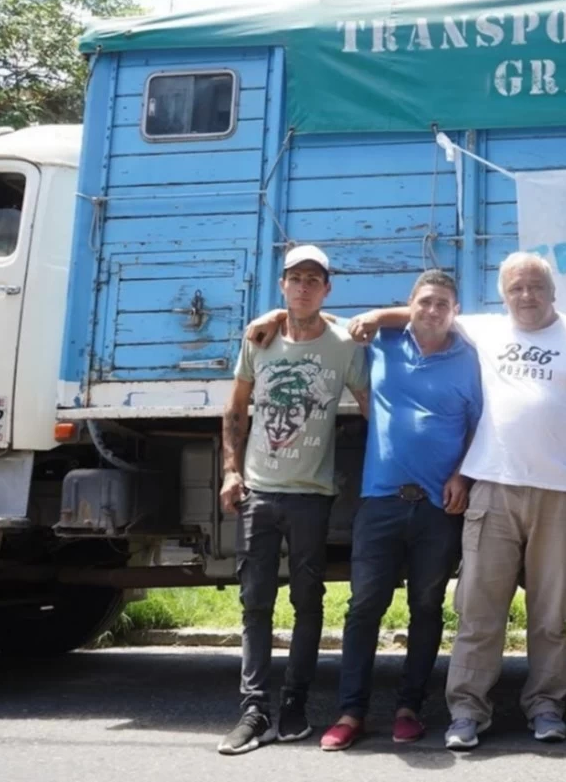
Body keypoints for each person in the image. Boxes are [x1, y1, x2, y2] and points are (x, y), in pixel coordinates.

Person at [347, 252, 566, 750]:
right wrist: (372, 317)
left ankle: (545, 706)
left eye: (535, 287)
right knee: (478, 609)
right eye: (516, 288)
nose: (526, 296)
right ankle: (467, 712)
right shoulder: (489, 330)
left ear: (552, 291)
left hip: (561, 495)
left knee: (550, 612)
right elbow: (425, 312)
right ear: (503, 295)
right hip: (492, 490)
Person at [318, 271, 482, 750]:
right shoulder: (384, 341)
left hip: (438, 505)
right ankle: (351, 712)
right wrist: (269, 319)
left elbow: (480, 426)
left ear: (455, 311)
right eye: (425, 301)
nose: (433, 311)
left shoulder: (470, 358)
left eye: (444, 304)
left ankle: (410, 708)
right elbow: (323, 320)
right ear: (410, 304)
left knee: (426, 607)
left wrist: (463, 476)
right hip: (381, 501)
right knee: (365, 606)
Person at [216, 245, 370, 756]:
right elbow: (236, 410)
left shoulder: (344, 343)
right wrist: (231, 471)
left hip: (312, 496)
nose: (303, 286)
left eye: (314, 279)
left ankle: (295, 705)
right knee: (255, 602)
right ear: (282, 284)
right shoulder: (258, 340)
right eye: (294, 279)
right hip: (260, 492)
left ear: (327, 290)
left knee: (308, 603)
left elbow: (373, 407)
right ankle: (253, 710)